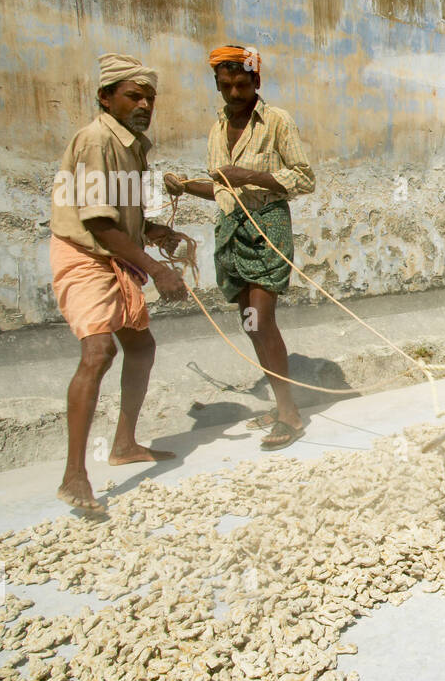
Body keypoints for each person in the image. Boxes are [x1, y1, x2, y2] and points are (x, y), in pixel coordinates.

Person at [50, 52, 189, 514]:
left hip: (114, 254)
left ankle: (124, 443)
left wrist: (154, 232)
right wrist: (157, 268)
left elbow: (123, 218)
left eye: (150, 96)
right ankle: (74, 475)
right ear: (105, 98)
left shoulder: (132, 146)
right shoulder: (95, 141)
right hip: (86, 255)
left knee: (142, 345)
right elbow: (100, 225)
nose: (145, 103)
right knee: (99, 352)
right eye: (134, 95)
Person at [165, 45, 316, 450]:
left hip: (268, 227)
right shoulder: (217, 129)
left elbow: (304, 178)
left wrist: (250, 174)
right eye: (226, 85)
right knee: (249, 325)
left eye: (242, 85)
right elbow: (222, 190)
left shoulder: (277, 121)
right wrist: (183, 186)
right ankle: (280, 403)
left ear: (257, 82)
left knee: (263, 321)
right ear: (217, 84)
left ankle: (290, 414)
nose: (234, 94)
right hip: (231, 229)